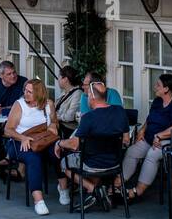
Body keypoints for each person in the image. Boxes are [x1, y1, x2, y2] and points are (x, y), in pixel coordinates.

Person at [55, 80, 130, 211]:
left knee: (63, 164)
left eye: (88, 94)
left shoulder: (88, 118)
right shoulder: (120, 112)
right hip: (115, 163)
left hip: (92, 164)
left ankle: (94, 190)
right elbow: (126, 140)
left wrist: (59, 142)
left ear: (92, 96)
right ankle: (94, 195)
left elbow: (74, 145)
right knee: (92, 154)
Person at [119, 73, 172, 201]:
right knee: (132, 151)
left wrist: (159, 136)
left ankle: (138, 191)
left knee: (152, 154)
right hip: (150, 138)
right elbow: (150, 119)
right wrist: (142, 130)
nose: (155, 87)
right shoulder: (158, 101)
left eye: (158, 85)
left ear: (166, 89)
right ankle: (117, 184)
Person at [3, 78, 59, 216]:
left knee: (57, 152)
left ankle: (62, 188)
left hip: (41, 141)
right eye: (25, 91)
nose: (25, 94)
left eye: (30, 92)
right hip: (18, 142)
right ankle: (38, 200)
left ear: (39, 93)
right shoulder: (19, 105)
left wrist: (52, 125)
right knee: (33, 158)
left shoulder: (48, 104)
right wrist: (22, 138)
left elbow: (55, 122)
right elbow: (8, 130)